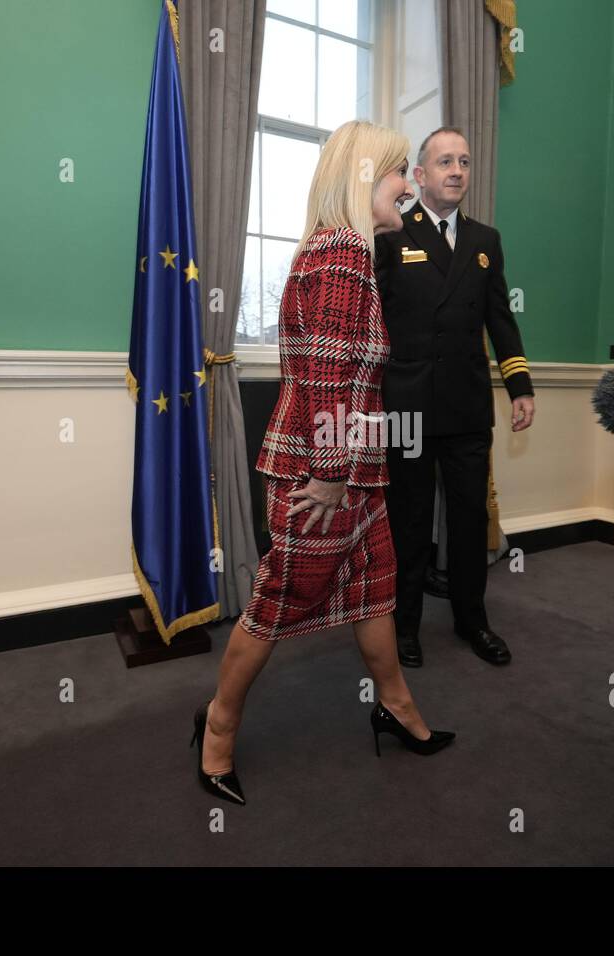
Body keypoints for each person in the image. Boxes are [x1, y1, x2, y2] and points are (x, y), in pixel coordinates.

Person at [191, 121, 455, 807]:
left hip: (352, 473)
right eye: (402, 172)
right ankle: (217, 728)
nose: (412, 185)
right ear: (369, 176)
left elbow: (329, 373)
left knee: (376, 590)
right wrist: (333, 473)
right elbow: (332, 375)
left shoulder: (342, 252)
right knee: (279, 603)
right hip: (325, 474)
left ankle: (395, 707)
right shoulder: (340, 254)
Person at [373, 127, 535, 669]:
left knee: (469, 521)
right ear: (419, 176)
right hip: (407, 408)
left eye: (464, 161)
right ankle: (404, 626)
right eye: (445, 162)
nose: (457, 170)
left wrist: (519, 385)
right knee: (409, 522)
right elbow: (371, 323)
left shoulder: (485, 240)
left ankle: (473, 620)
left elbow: (499, 320)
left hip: (466, 405)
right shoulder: (391, 234)